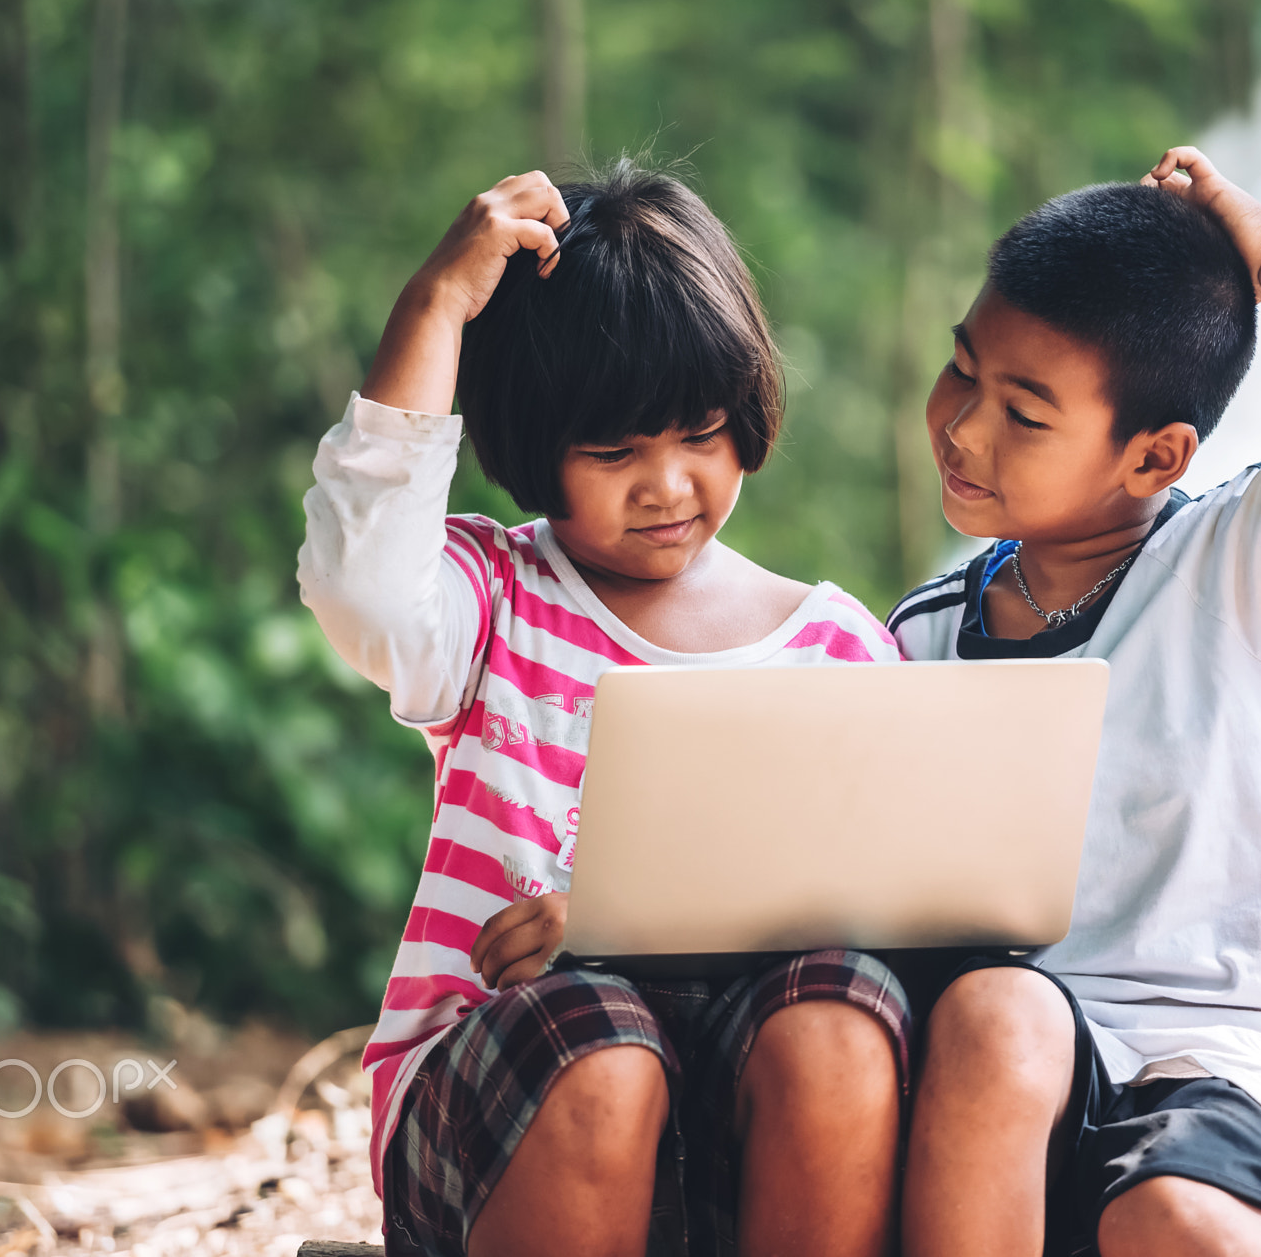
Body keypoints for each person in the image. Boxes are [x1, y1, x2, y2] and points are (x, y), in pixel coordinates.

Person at [297, 164, 910, 1257]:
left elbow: (891, 905)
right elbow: (362, 592)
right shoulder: (492, 601)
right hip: (506, 1119)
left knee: (841, 1010)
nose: (667, 486)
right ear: (536, 447)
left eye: (700, 433)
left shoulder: (839, 649)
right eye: (613, 451)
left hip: (750, 1161)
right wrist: (437, 300)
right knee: (600, 1040)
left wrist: (641, 924)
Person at [891, 146, 1261, 1257]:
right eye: (962, 370)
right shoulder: (919, 635)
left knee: (1170, 1217)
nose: (961, 427)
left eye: (1023, 411)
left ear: (1153, 456)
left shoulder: (1246, 562)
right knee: (996, 1010)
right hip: (999, 1088)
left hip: (1221, 1061)